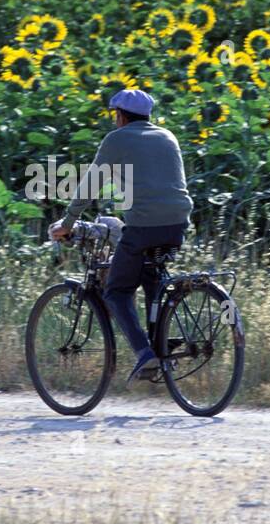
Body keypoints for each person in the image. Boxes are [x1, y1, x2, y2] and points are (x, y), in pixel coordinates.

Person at [49, 88, 193, 383]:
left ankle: (145, 353)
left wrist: (68, 222)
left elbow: (91, 184)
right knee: (152, 275)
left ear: (120, 116)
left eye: (115, 116)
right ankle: (161, 345)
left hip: (143, 227)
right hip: (179, 223)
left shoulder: (117, 139)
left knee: (116, 290)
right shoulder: (168, 136)